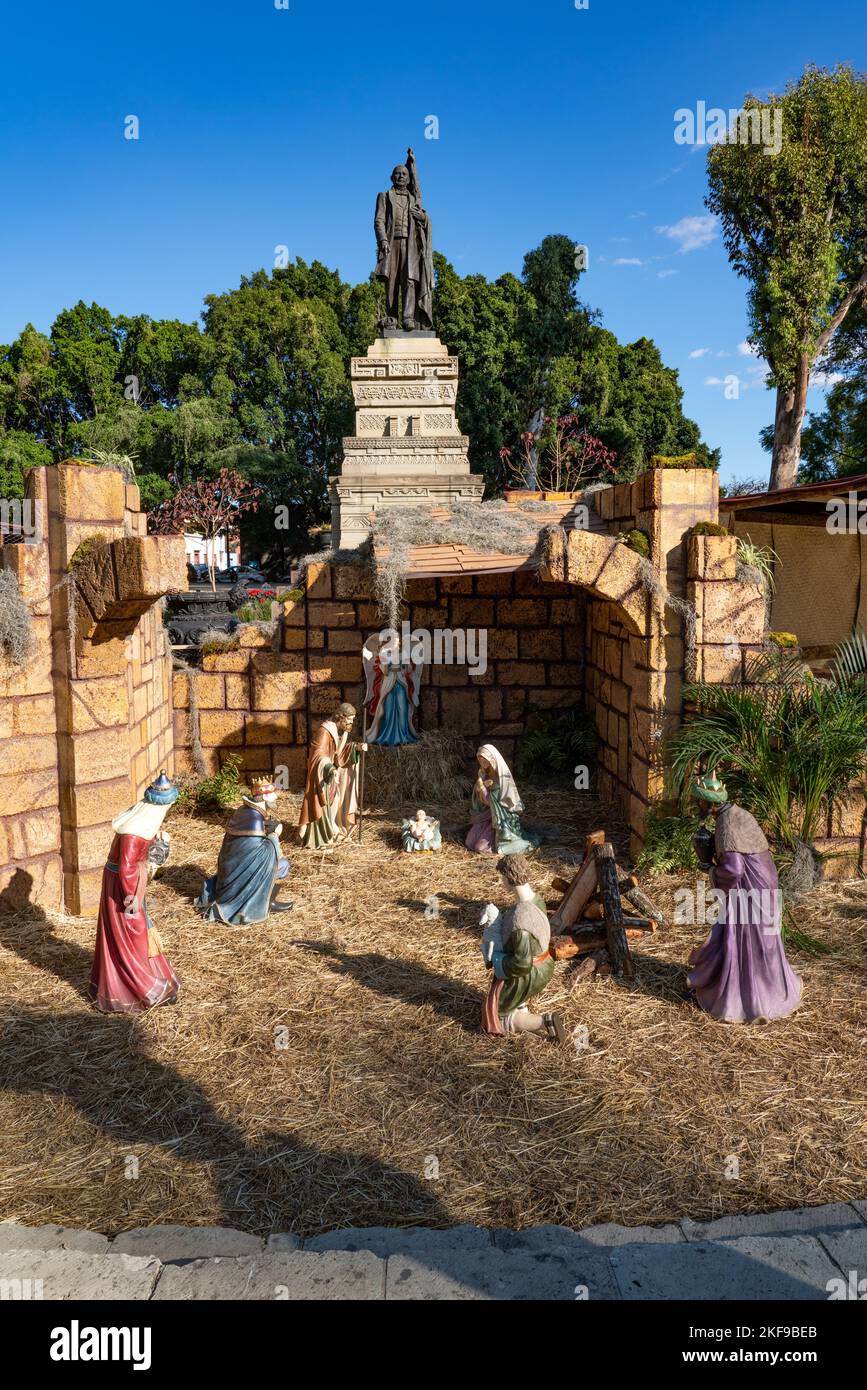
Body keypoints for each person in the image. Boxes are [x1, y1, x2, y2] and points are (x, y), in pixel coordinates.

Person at [686, 771, 802, 1023]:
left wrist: (711, 870)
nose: (697, 806)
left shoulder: (725, 824)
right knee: (764, 939)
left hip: (752, 891)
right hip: (765, 883)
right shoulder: (737, 812)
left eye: (699, 802)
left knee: (751, 940)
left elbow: (734, 869)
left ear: (708, 802)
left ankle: (749, 1000)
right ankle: (772, 990)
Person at [89, 771, 180, 1014]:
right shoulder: (133, 832)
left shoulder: (143, 826)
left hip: (126, 884)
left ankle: (142, 977)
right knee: (132, 932)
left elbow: (144, 861)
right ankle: (142, 987)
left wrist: (158, 849)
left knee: (134, 932)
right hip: (123, 890)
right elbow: (129, 870)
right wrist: (135, 894)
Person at [479, 854, 565, 1043]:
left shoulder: (521, 920)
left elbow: (521, 964)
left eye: (502, 878)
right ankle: (520, 1004)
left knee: (496, 1015)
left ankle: (543, 1022)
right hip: (544, 961)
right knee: (510, 996)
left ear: (509, 878)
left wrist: (496, 958)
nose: (501, 882)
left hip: (530, 971)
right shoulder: (536, 900)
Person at [197, 775, 292, 926]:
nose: (275, 799)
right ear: (265, 797)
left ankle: (267, 900)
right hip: (240, 873)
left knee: (279, 860)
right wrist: (274, 836)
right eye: (272, 796)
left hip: (234, 867)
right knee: (282, 865)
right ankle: (267, 903)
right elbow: (260, 853)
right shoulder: (254, 818)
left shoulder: (244, 811)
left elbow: (250, 847)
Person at [374, 148, 434, 331]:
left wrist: (412, 163)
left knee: (410, 280)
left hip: (411, 245)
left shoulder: (414, 199)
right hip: (392, 244)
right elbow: (379, 220)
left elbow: (419, 194)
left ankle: (408, 318)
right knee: (392, 282)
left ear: (408, 179)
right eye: (397, 174)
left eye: (404, 174)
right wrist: (383, 240)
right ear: (391, 177)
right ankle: (391, 317)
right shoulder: (384, 196)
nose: (401, 176)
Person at [298, 703, 368, 849]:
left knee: (335, 800)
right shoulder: (325, 731)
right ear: (340, 717)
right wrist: (329, 767)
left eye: (353, 720)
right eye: (349, 719)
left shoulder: (341, 732)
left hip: (331, 774)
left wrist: (356, 747)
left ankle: (333, 828)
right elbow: (318, 755)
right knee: (325, 803)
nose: (351, 723)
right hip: (322, 775)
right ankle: (322, 836)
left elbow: (340, 754)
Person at [466, 744, 538, 855]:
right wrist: (479, 787)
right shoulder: (483, 774)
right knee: (469, 842)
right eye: (480, 761)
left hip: (500, 819)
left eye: (485, 761)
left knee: (480, 848)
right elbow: (479, 799)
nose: (482, 764)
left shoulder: (502, 780)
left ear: (492, 760)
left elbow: (492, 802)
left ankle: (503, 844)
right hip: (486, 816)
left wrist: (482, 788)